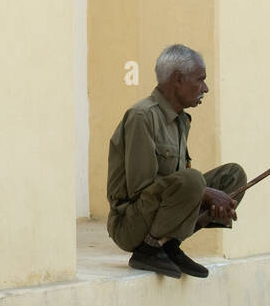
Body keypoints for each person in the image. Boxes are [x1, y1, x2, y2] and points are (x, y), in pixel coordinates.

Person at [105, 44, 247, 278]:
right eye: (200, 80)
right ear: (178, 80)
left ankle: (168, 245)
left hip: (156, 213)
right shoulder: (142, 117)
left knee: (233, 176)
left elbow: (176, 186)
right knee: (194, 180)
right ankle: (148, 249)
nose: (206, 88)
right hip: (129, 225)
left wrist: (212, 203)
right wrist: (205, 193)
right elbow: (141, 187)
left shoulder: (180, 120)